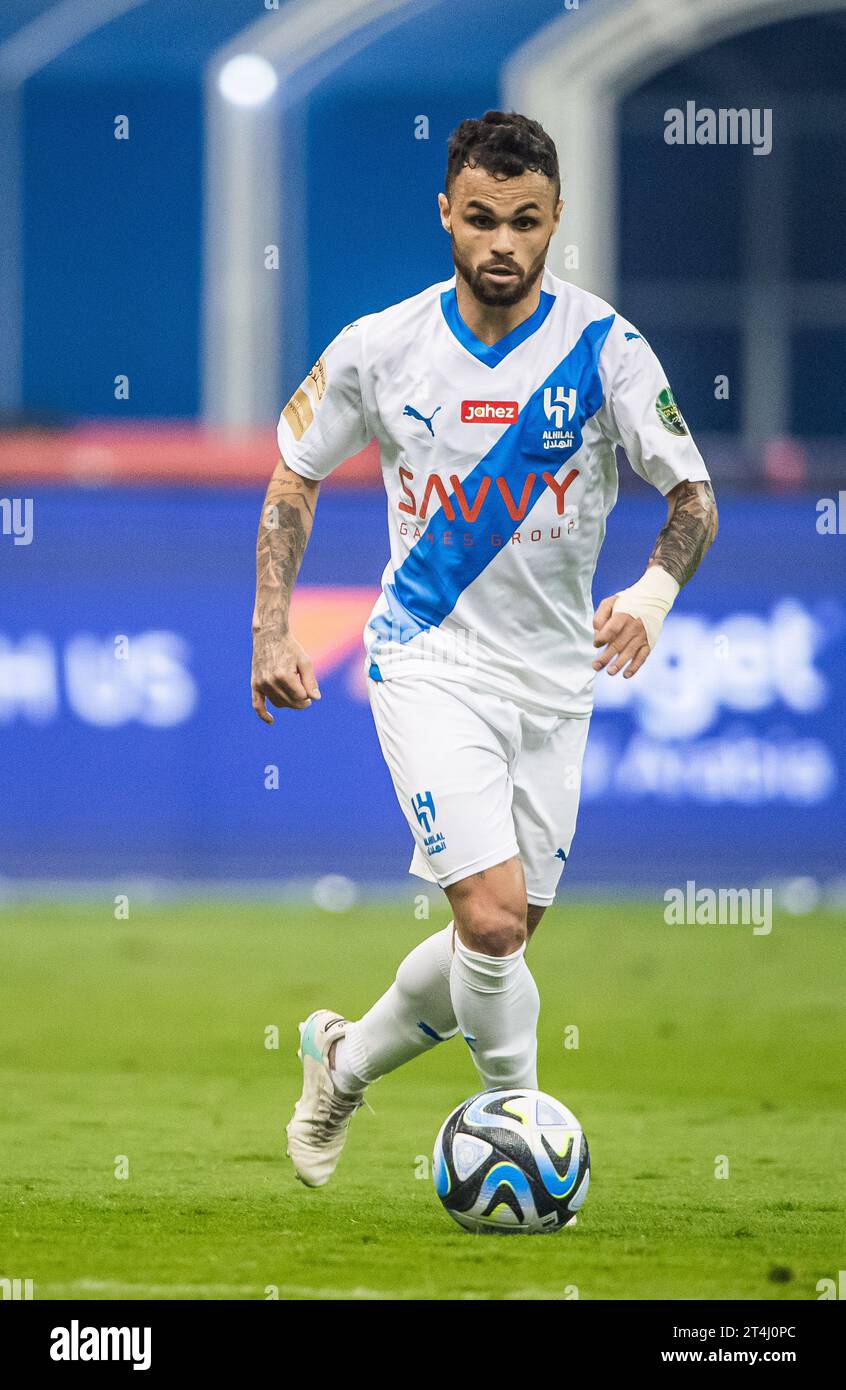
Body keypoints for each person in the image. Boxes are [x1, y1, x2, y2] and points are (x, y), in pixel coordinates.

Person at [250, 110, 718, 1188]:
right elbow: (294, 475)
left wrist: (653, 593)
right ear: (446, 215)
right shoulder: (380, 346)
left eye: (524, 221)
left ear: (556, 218)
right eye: (480, 219)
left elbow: (692, 494)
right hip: (427, 660)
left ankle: (341, 1061)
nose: (502, 242)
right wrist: (272, 623)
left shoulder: (606, 348)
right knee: (495, 921)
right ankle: (527, 1143)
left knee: (495, 941)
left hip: (555, 681)